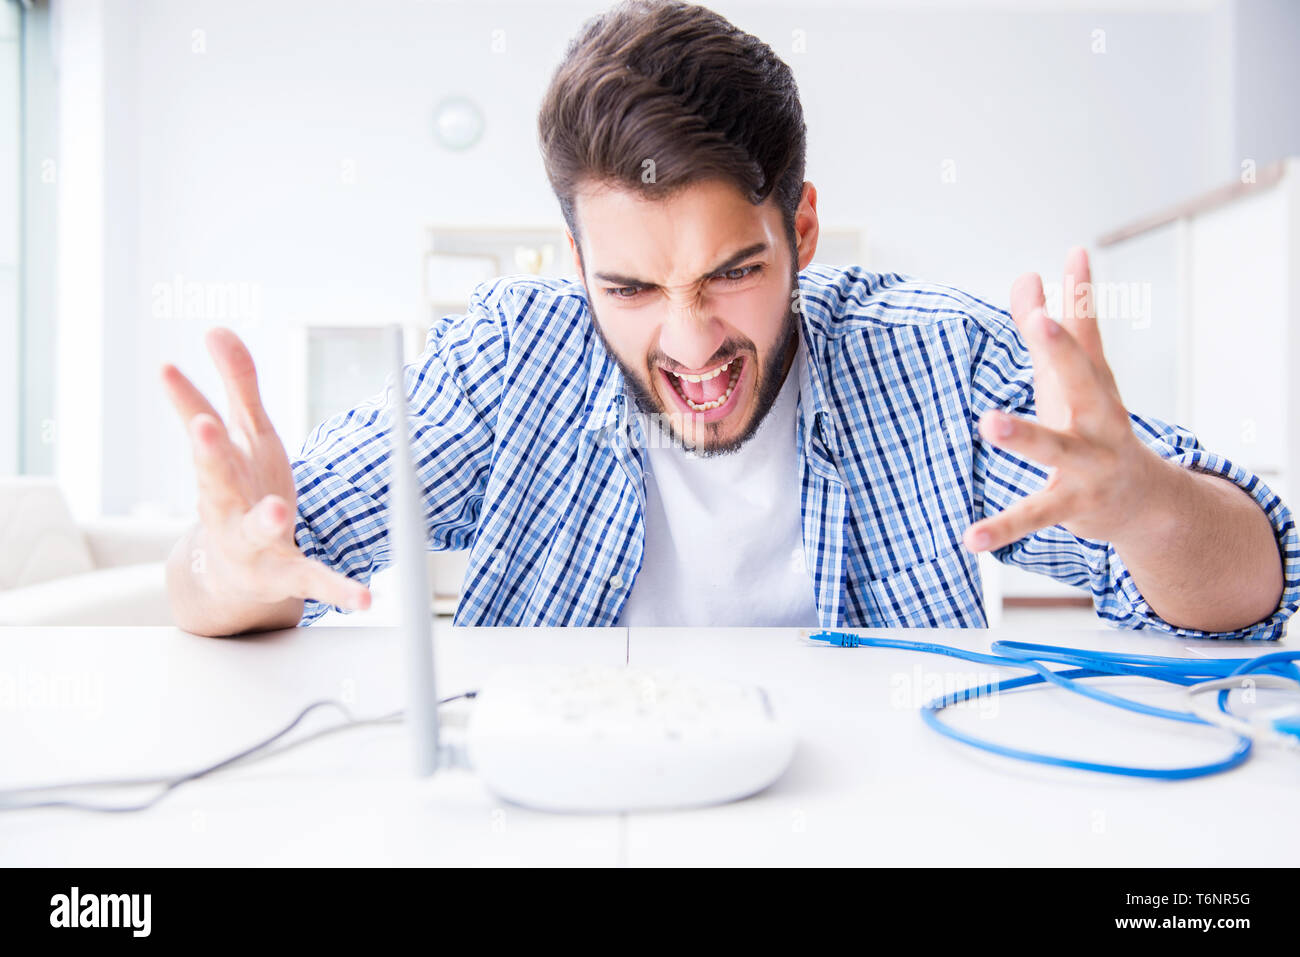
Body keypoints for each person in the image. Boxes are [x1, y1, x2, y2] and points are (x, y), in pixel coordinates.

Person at [162, 0, 1296, 638]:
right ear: (576, 263)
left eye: (732, 272)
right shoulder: (511, 358)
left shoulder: (932, 361)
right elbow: (239, 581)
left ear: (801, 228)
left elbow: (1252, 592)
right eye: (632, 289)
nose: (692, 342)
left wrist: (1150, 509)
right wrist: (227, 570)